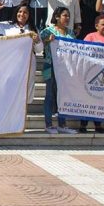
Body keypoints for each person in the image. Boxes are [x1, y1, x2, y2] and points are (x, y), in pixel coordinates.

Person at [0, 2, 43, 104]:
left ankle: (24, 113)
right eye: (20, 12)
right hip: (11, 63)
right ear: (16, 13)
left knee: (26, 87)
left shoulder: (33, 29)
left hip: (28, 63)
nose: (22, 14)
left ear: (29, 15)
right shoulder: (8, 26)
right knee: (9, 86)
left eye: (25, 12)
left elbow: (39, 50)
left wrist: (37, 40)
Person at [40, 7, 78, 135]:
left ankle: (62, 124)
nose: (67, 18)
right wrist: (47, 40)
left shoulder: (71, 33)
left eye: (68, 16)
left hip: (65, 69)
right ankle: (49, 124)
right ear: (57, 17)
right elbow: (38, 44)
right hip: (50, 67)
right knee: (50, 95)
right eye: (64, 15)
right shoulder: (47, 31)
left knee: (63, 95)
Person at [77, 14, 104, 133]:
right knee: (87, 99)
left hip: (103, 74)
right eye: (103, 24)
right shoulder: (90, 36)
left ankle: (98, 124)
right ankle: (83, 124)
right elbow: (83, 52)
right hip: (90, 73)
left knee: (99, 99)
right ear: (96, 26)